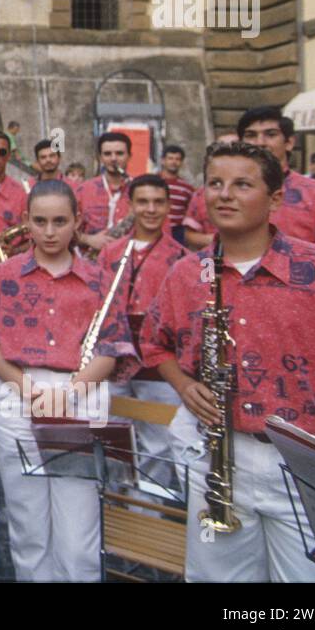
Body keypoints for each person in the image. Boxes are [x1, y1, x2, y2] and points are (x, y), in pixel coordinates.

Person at [142, 140, 315, 581]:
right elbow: (154, 343)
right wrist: (184, 386)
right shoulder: (186, 273)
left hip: (314, 466)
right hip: (218, 462)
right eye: (215, 183)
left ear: (276, 198)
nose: (225, 195)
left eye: (243, 184)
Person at [0, 179, 137, 581]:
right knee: (28, 528)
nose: (49, 232)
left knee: (79, 535)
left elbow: (112, 346)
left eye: (60, 221)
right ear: (26, 221)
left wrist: (70, 394)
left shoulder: (99, 279)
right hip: (18, 396)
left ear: (77, 222)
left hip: (79, 397)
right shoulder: (6, 274)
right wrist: (27, 388)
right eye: (41, 221)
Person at [97, 174, 189, 489]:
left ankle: (149, 510)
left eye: (158, 202)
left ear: (168, 207)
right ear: (130, 205)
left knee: (158, 443)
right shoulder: (109, 253)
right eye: (143, 201)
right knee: (113, 434)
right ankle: (116, 504)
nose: (150, 209)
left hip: (158, 366)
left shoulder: (182, 258)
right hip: (112, 358)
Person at [237, 106, 315, 263]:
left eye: (271, 135)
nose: (260, 143)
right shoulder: (221, 196)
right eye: (251, 135)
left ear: (289, 142)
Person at [74, 132, 133, 252]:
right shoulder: (83, 190)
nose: (113, 159)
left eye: (119, 153)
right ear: (100, 158)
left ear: (129, 156)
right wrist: (88, 239)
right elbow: (62, 231)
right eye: (107, 154)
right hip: (91, 264)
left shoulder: (141, 190)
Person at [158, 144, 194, 242]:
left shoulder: (187, 188)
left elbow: (190, 211)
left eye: (177, 159)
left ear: (181, 162)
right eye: (170, 158)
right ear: (163, 161)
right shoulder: (152, 182)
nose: (174, 162)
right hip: (155, 228)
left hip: (177, 233)